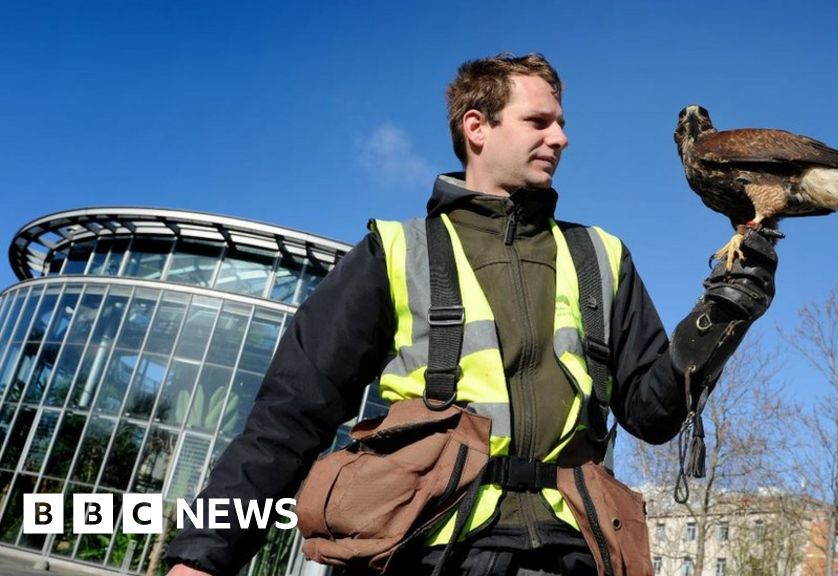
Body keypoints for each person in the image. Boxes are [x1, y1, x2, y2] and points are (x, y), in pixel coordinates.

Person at [165, 53, 777, 576]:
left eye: (561, 123)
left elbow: (653, 413)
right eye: (539, 121)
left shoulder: (601, 256)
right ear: (476, 127)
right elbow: (286, 419)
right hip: (420, 549)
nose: (560, 137)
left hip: (565, 555)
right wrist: (201, 555)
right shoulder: (395, 252)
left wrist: (723, 314)